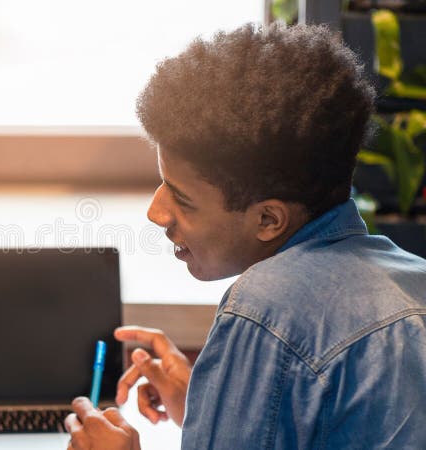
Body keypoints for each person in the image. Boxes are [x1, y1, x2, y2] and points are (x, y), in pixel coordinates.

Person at [65, 23, 426, 449]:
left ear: (269, 220)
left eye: (183, 197)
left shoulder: (265, 309)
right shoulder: (413, 277)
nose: (156, 211)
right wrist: (210, 409)